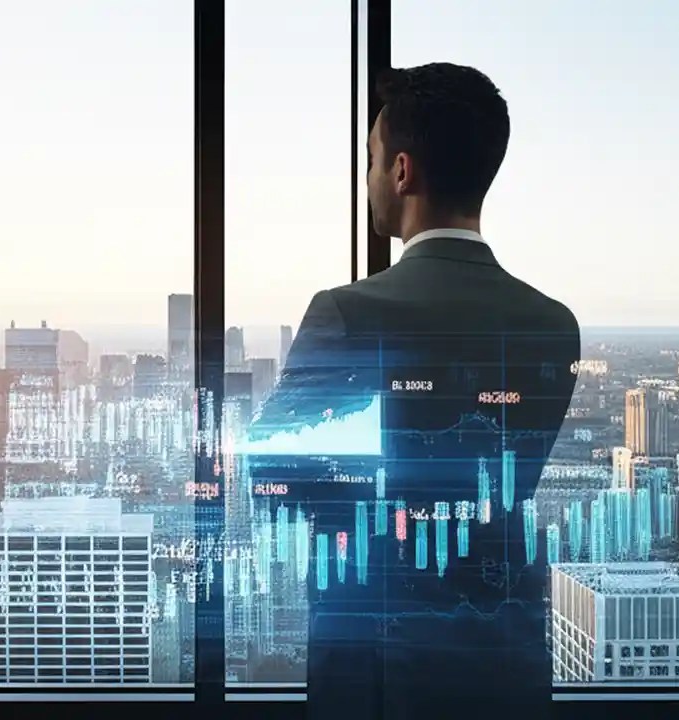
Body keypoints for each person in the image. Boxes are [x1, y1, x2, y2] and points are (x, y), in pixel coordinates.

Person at [247, 63, 580, 718]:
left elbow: (269, 477)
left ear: (401, 171)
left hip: (375, 661)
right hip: (507, 658)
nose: (367, 178)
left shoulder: (344, 314)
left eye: (371, 158)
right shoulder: (554, 326)